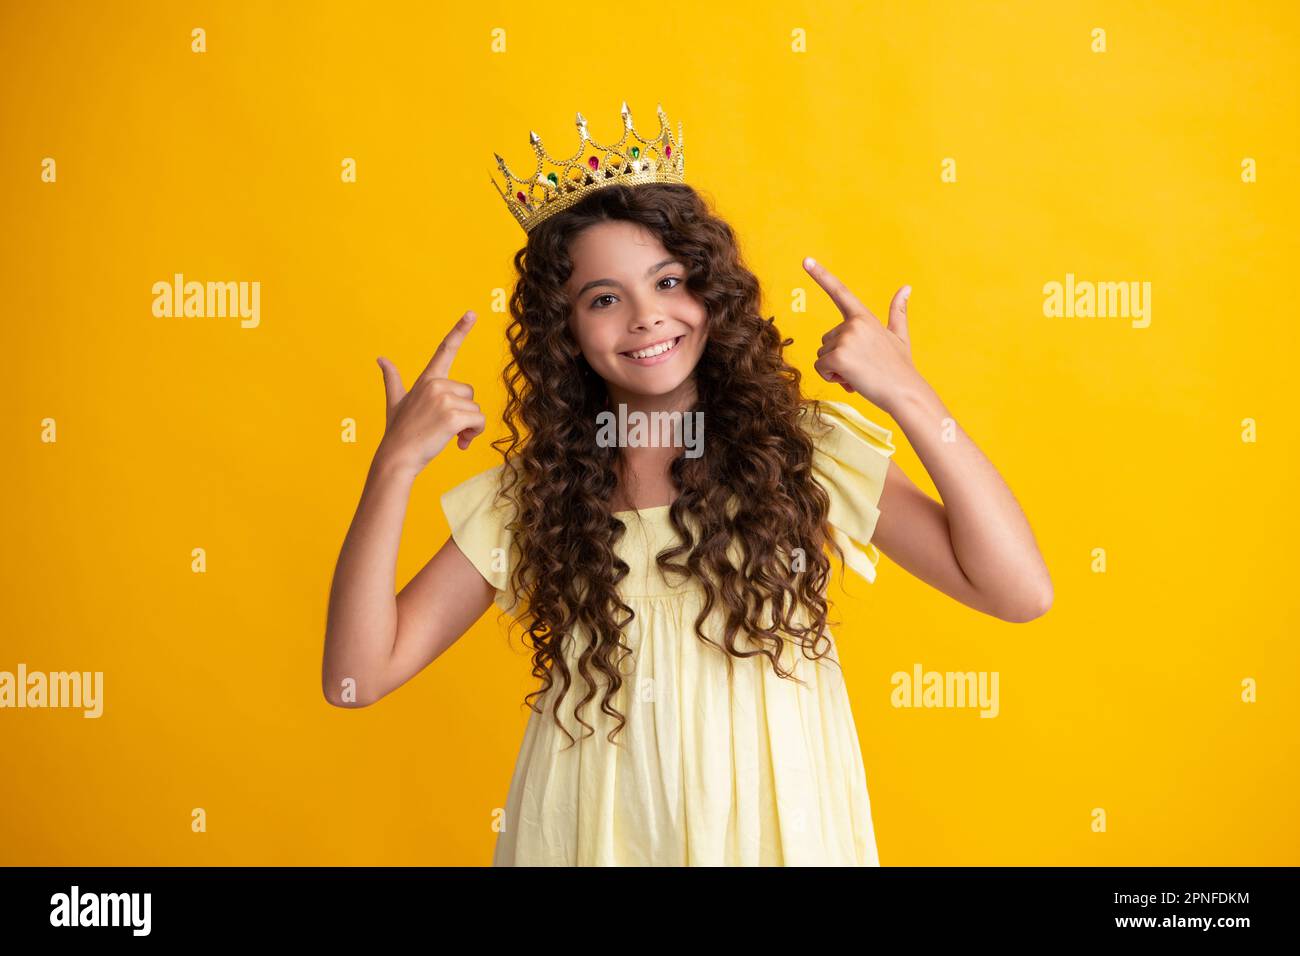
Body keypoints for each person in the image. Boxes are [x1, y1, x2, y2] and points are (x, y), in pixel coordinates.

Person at [321, 103, 1053, 866]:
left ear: (711, 292)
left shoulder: (800, 455)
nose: (646, 317)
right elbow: (353, 679)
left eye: (668, 281)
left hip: (774, 839)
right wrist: (392, 470)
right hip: (594, 838)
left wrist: (911, 397)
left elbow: (1018, 592)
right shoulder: (534, 498)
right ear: (564, 331)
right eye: (603, 299)